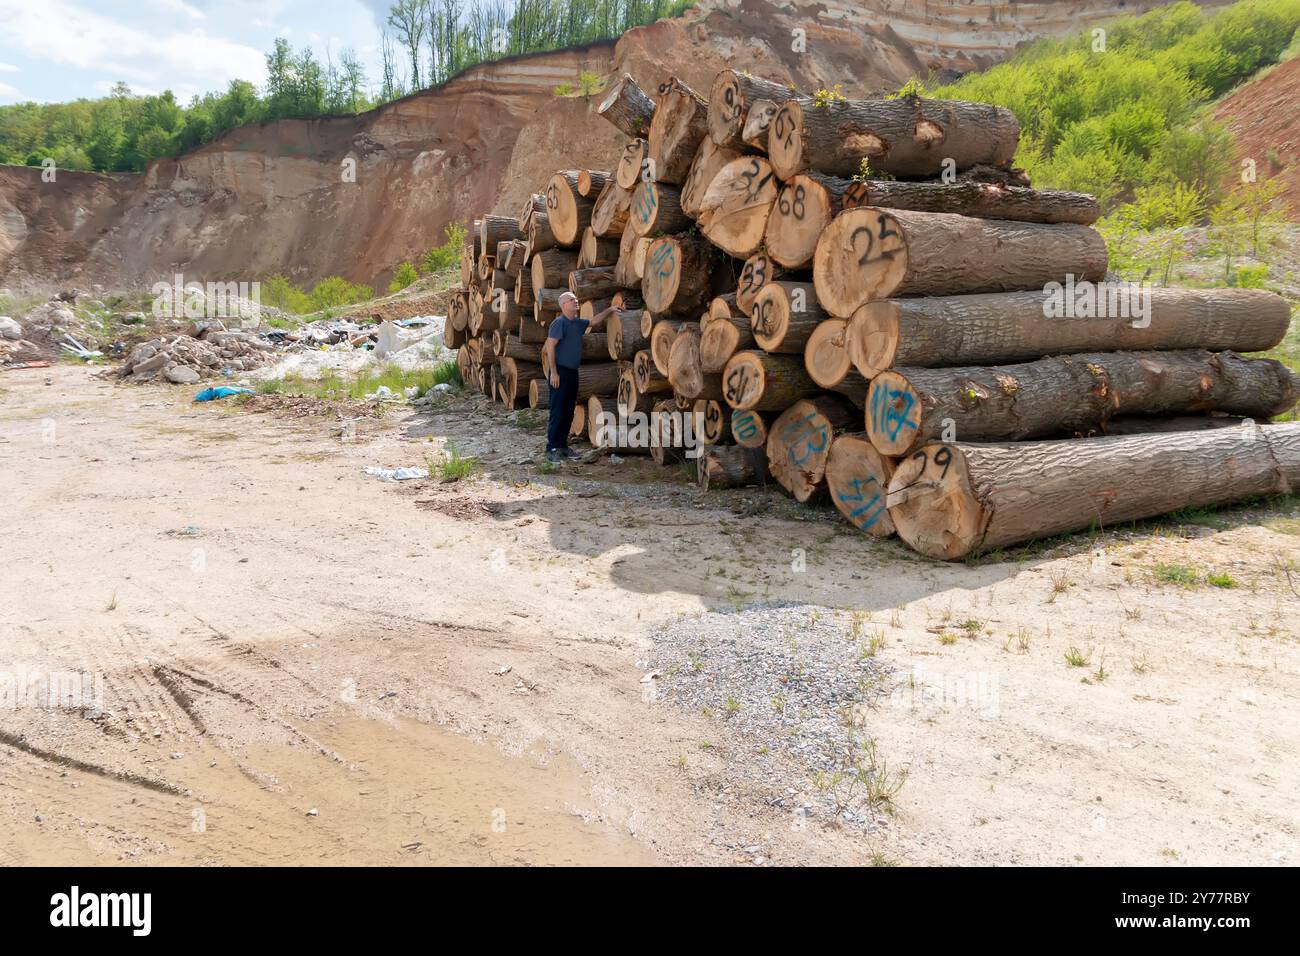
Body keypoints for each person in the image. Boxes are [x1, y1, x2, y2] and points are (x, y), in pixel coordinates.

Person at [544, 291, 612, 463]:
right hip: (560, 372)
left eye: (575, 299)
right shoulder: (559, 323)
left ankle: (563, 447)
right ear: (564, 305)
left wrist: (610, 310)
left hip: (573, 373)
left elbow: (593, 321)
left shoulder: (576, 323)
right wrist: (554, 372)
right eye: (571, 300)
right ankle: (552, 448)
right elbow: (550, 347)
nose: (576, 301)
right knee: (558, 410)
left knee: (568, 411)